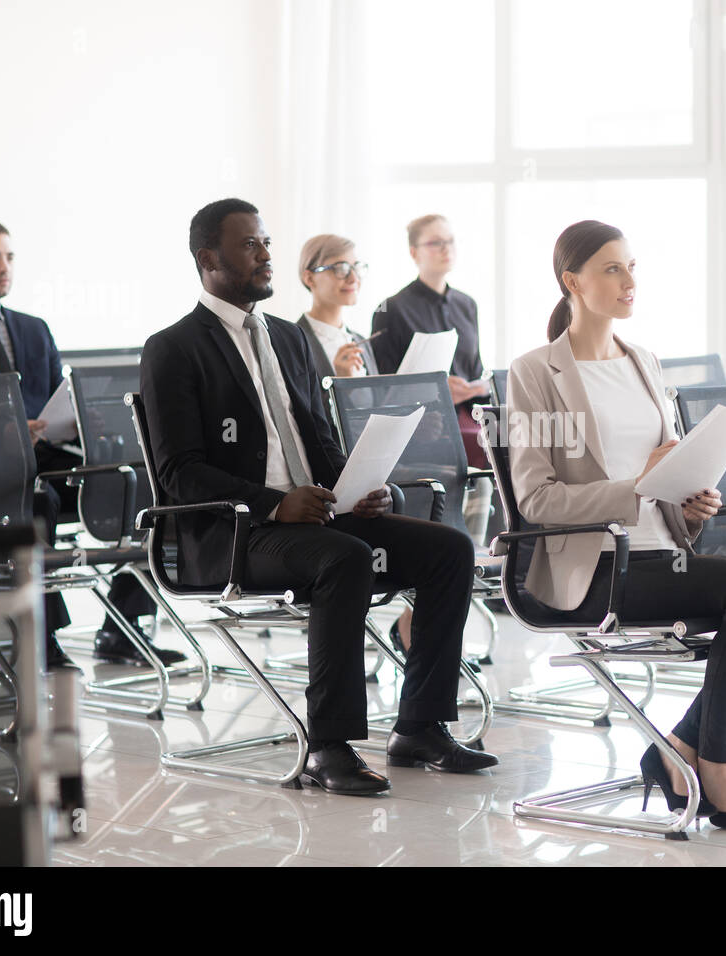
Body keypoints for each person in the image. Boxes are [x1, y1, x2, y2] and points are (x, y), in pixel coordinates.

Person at [138, 198, 497, 795]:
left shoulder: (286, 337)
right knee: (345, 558)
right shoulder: (174, 348)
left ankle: (420, 726)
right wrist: (274, 503)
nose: (267, 254)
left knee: (450, 550)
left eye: (267, 241)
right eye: (250, 245)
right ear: (209, 259)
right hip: (238, 533)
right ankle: (328, 745)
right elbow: (178, 472)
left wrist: (359, 486)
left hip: (318, 517)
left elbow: (320, 437)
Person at [506, 220, 726, 829]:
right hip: (597, 568)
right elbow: (536, 501)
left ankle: (679, 746)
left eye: (631, 266)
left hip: (664, 551)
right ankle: (716, 762)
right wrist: (638, 488)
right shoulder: (536, 373)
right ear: (572, 281)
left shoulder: (645, 361)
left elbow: (665, 468)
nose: (629, 281)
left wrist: (687, 499)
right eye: (611, 269)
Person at [0, 218, 176, 672]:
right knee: (37, 500)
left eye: (9, 257)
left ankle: (123, 625)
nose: (3, 267)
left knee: (147, 484)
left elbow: (55, 399)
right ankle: (41, 639)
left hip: (42, 456)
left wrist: (82, 423)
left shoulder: (32, 328)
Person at [372, 214, 492, 653]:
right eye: (434, 243)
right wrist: (439, 388)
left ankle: (466, 569)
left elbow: (476, 369)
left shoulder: (466, 303)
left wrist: (473, 386)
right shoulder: (393, 307)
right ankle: (418, 620)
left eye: (450, 241)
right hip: (424, 429)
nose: (445, 249)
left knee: (495, 452)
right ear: (413, 252)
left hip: (465, 420)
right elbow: (385, 384)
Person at [295, 233, 378, 423]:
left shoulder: (359, 340)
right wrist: (340, 385)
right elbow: (300, 418)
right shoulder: (291, 341)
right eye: (340, 268)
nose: (353, 278)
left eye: (356, 267)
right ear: (309, 278)